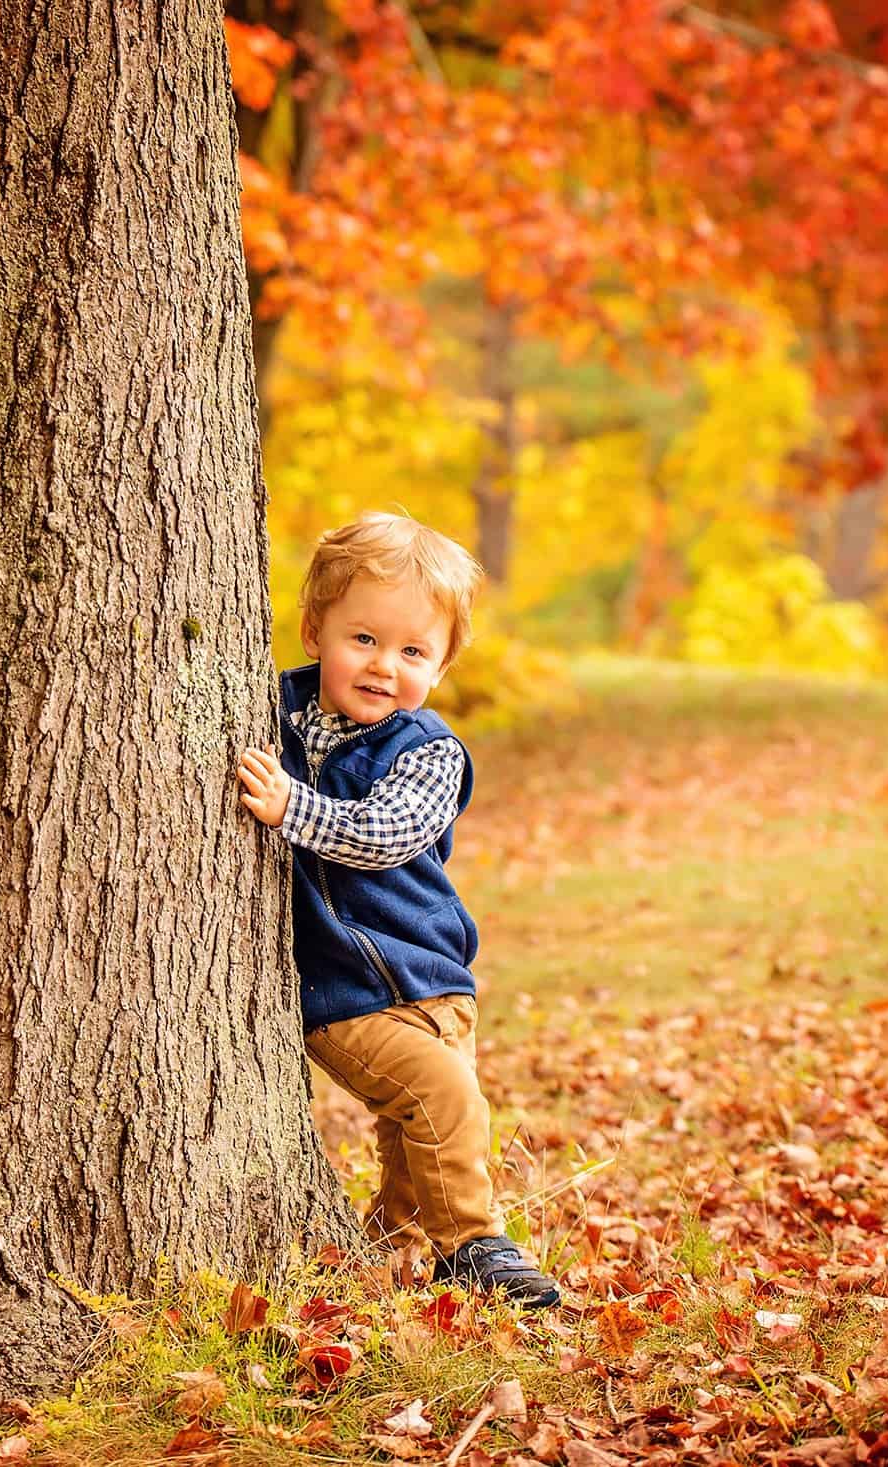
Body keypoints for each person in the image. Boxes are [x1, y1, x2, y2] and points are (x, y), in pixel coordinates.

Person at [236, 511, 561, 1310]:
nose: (386, 666)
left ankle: (381, 1261)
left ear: (443, 664)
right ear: (315, 631)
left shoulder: (427, 750)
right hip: (343, 993)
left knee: (415, 1148)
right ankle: (476, 1246)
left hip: (435, 981)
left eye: (414, 651)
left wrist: (292, 810)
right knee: (445, 1101)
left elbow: (385, 835)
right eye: (364, 639)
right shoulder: (273, 710)